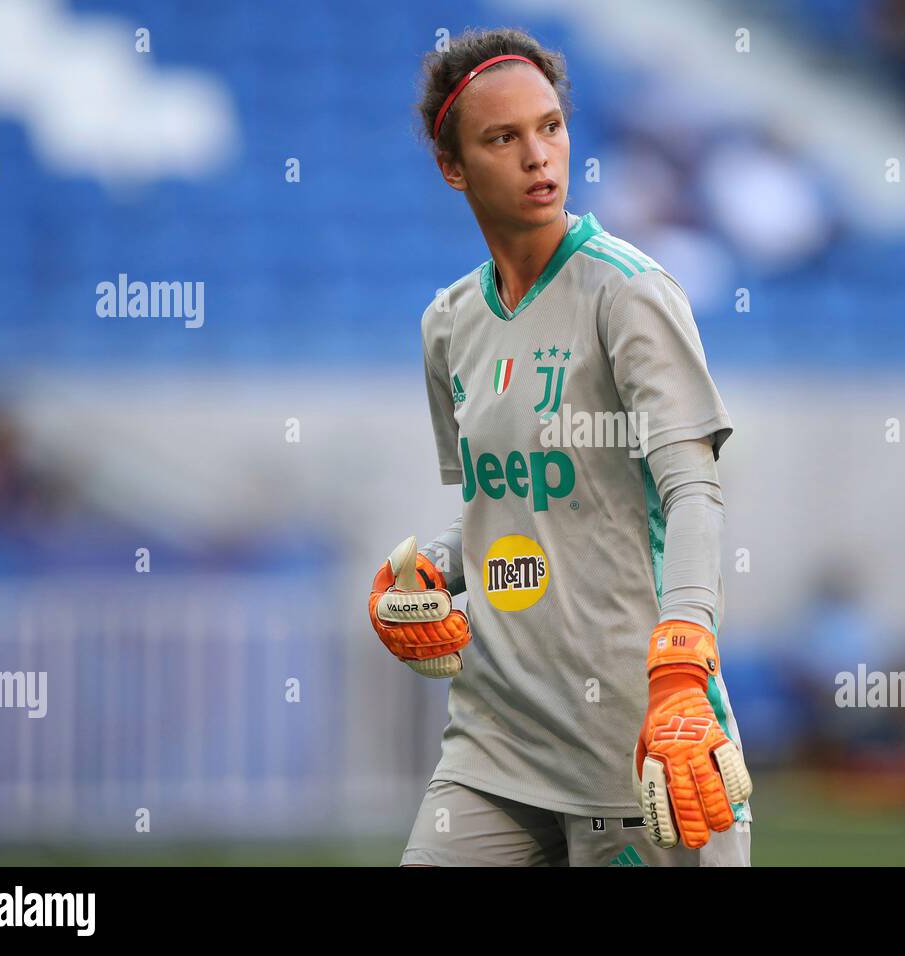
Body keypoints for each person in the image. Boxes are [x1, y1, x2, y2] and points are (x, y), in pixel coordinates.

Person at [367, 27, 752, 866]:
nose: (539, 156)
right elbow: (495, 506)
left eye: (551, 127)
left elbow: (694, 490)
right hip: (493, 749)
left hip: (647, 744)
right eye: (504, 138)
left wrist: (684, 664)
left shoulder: (630, 293)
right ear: (453, 167)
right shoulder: (446, 326)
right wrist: (432, 574)